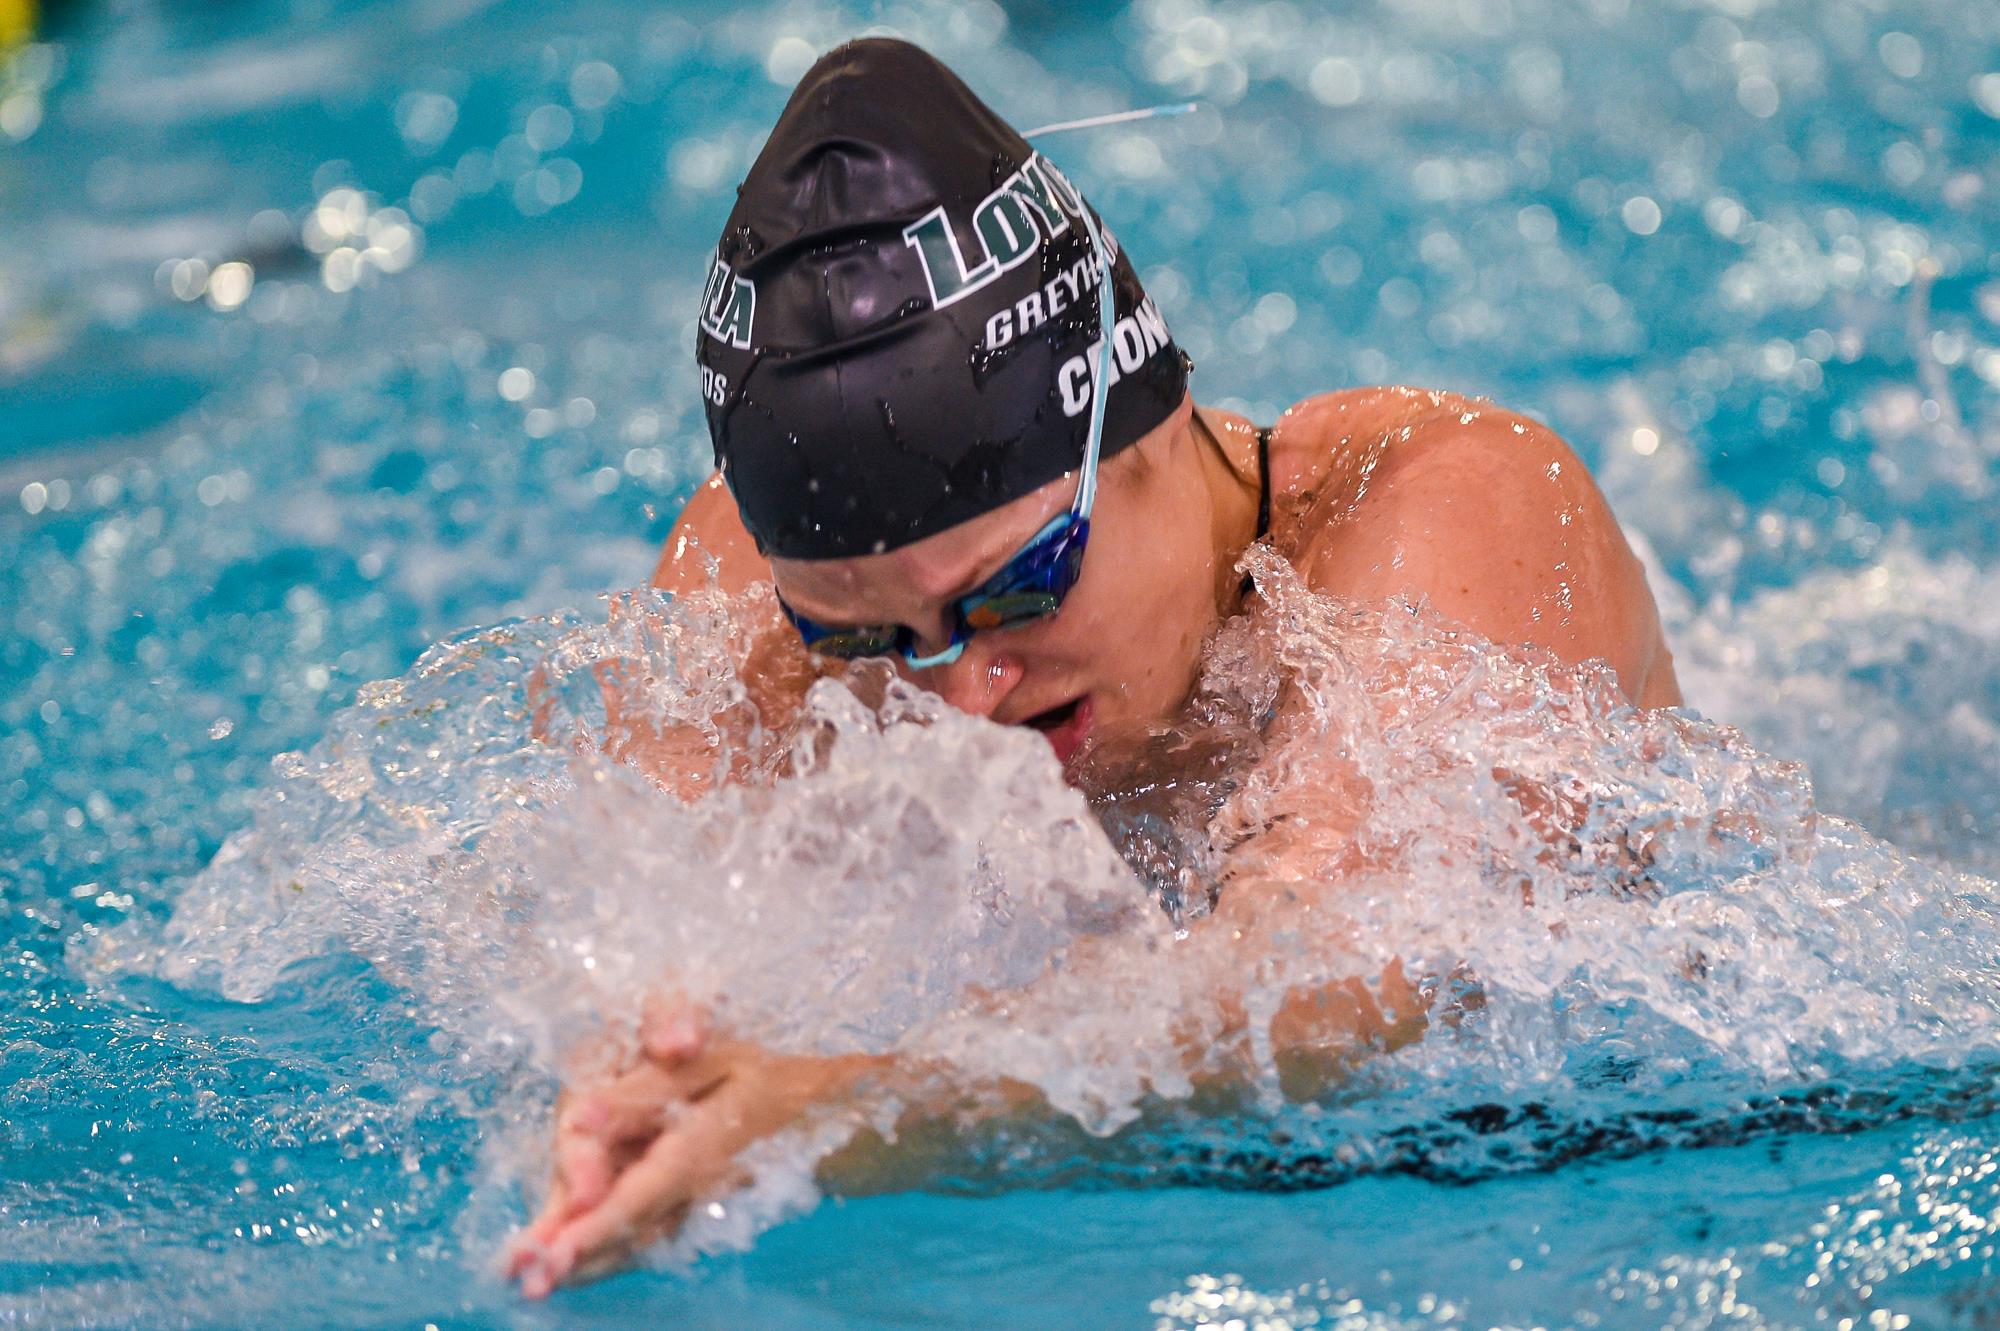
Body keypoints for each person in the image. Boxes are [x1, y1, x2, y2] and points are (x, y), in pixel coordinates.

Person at [505, 36, 1681, 1297]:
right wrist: (620, 1096)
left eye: (1017, 587)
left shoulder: (1449, 514)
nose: (962, 698)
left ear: (1155, 420)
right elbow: (634, 938)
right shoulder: (770, 583)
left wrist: (853, 1111)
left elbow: (1335, 979)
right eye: (866, 640)